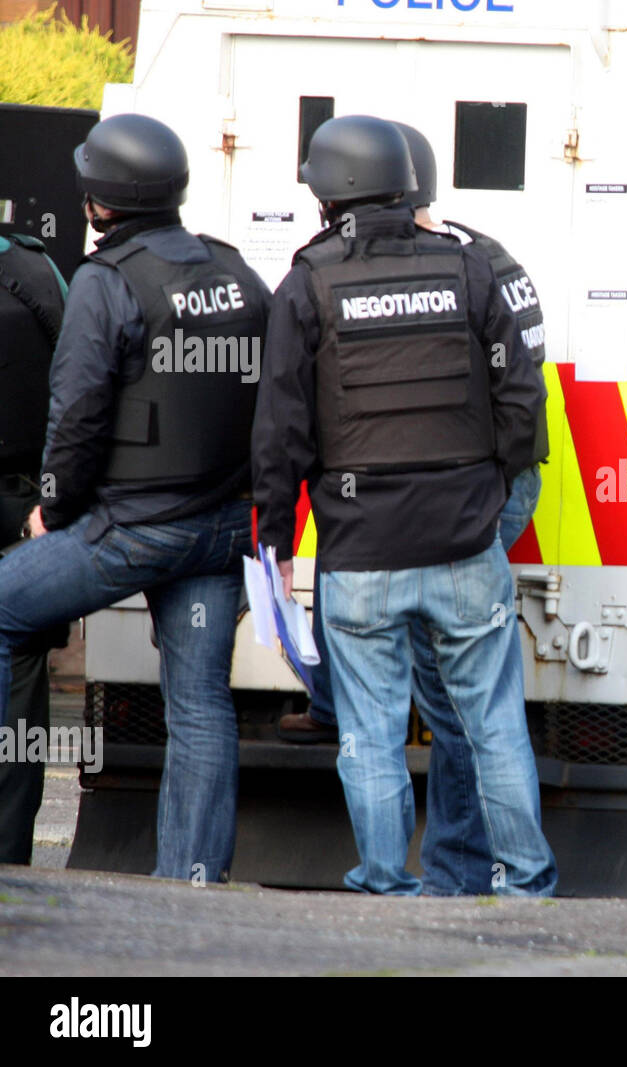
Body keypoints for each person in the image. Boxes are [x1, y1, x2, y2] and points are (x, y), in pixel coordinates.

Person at [252, 114, 556, 896]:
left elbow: (280, 430)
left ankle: (387, 884)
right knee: (493, 728)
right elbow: (524, 409)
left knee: (372, 735)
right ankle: (525, 884)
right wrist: (483, 497)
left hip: (360, 554)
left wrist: (278, 543)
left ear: (328, 190)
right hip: (464, 546)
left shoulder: (306, 284)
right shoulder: (470, 270)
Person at [0, 113, 271, 881]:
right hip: (219, 534)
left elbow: (77, 411)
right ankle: (191, 883)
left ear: (100, 202)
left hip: (133, 529)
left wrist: (52, 507)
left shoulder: (105, 281)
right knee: (198, 702)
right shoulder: (233, 270)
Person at [0, 230, 68, 864]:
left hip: (24, 510)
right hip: (27, 514)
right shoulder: (40, 269)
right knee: (18, 694)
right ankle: (10, 859)